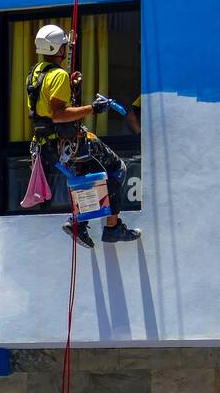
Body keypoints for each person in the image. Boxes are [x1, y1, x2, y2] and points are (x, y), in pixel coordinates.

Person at [26, 23, 140, 249]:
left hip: (47, 144)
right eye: (65, 46)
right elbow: (58, 114)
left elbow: (46, 108)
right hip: (67, 142)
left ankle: (79, 223)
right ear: (58, 49)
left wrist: (71, 86)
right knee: (117, 167)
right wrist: (93, 109)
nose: (67, 48)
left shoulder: (36, 72)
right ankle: (112, 227)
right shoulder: (58, 74)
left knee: (92, 173)